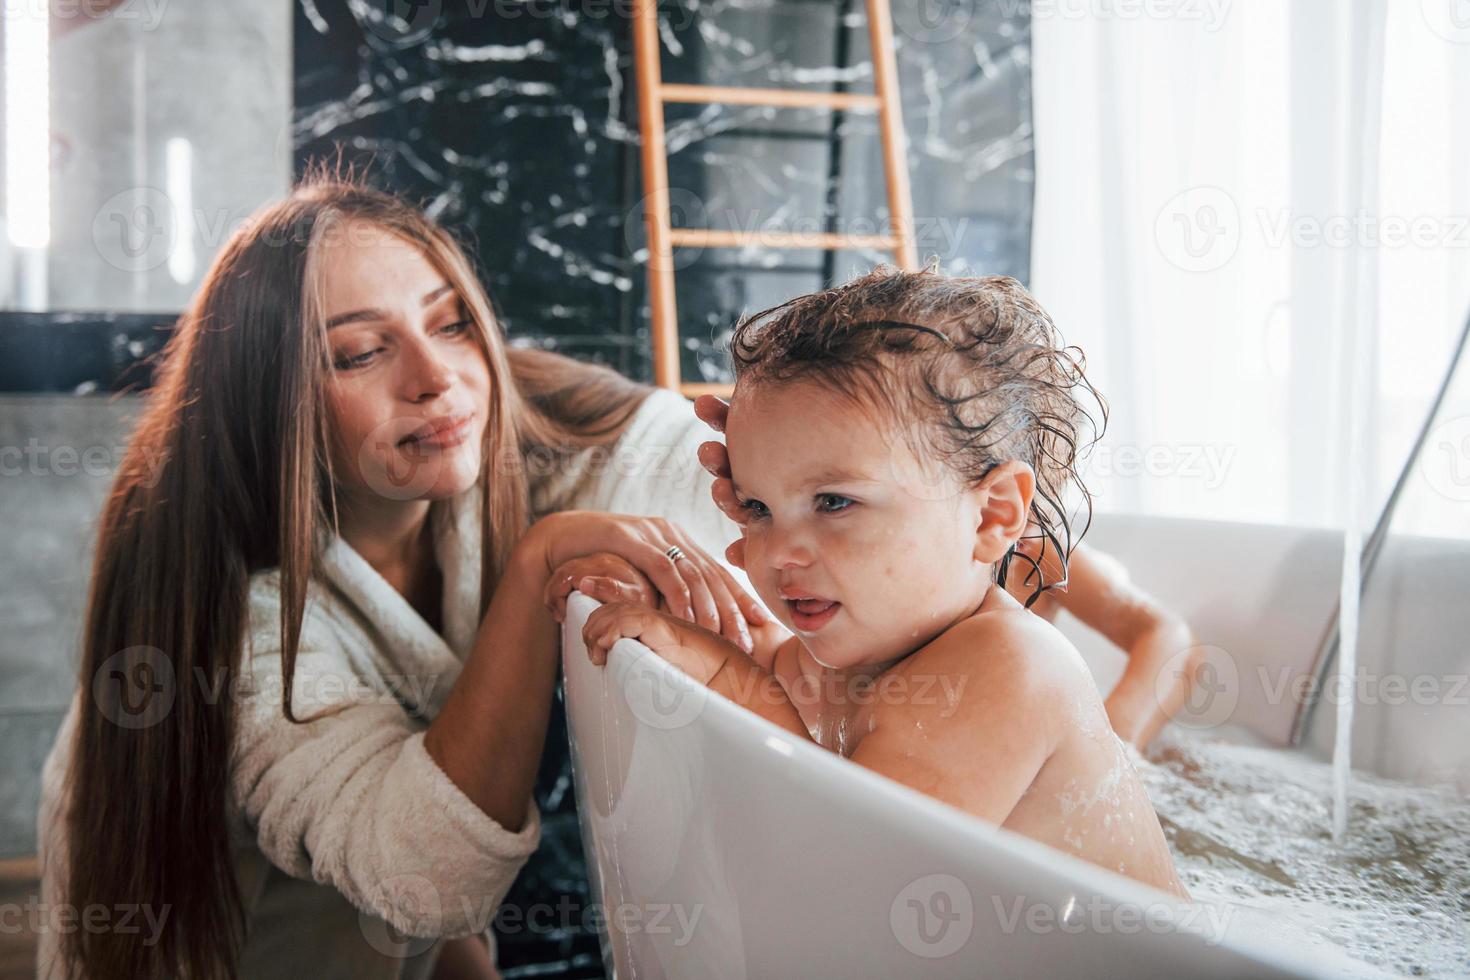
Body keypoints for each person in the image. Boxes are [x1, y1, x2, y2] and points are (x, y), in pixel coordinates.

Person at [36, 175, 766, 980]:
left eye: (451, 323)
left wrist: (784, 461)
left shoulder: (496, 442)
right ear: (270, 403)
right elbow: (425, 879)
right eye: (359, 352)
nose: (436, 375)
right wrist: (535, 569)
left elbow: (666, 459)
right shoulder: (239, 629)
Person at [571, 268, 1187, 896]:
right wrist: (686, 622)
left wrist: (733, 679)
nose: (779, 551)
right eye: (758, 507)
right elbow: (761, 659)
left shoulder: (1008, 668)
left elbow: (845, 891)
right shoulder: (870, 645)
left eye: (834, 502)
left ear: (994, 514)